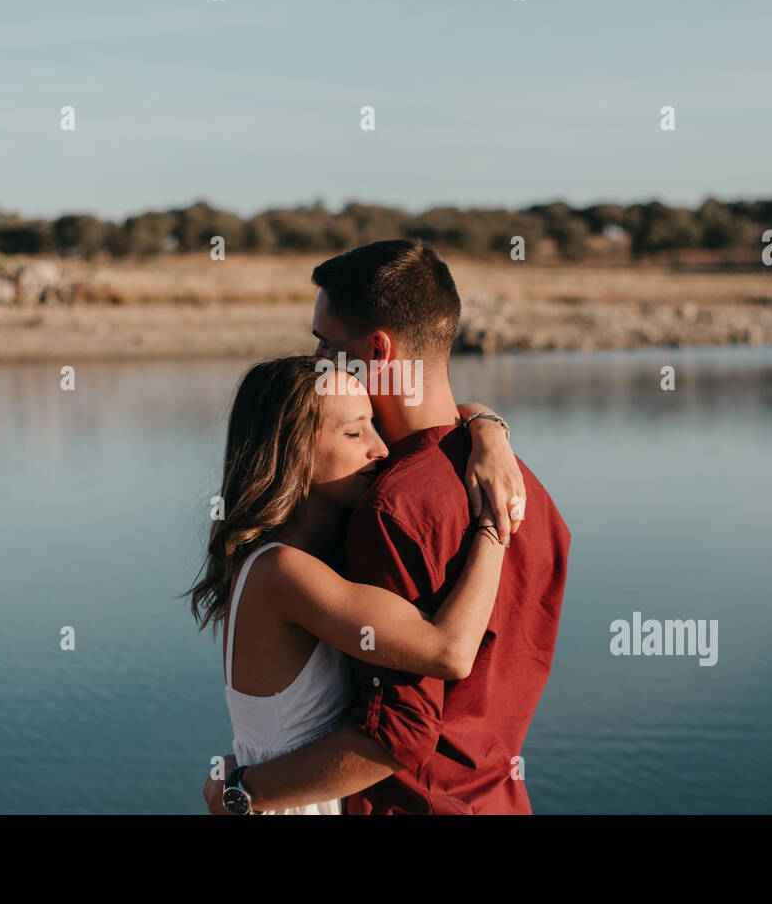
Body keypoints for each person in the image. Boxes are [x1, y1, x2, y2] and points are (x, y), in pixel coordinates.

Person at [202, 238, 571, 814]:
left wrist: (241, 792)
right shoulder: (527, 491)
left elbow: (397, 734)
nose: (318, 359)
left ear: (377, 351)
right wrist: (487, 426)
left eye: (325, 344)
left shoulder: (389, 509)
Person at [186, 356, 513, 813]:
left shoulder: (304, 560)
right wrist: (496, 518)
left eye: (374, 426)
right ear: (294, 450)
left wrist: (489, 430)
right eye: (355, 433)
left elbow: (452, 412)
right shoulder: (280, 571)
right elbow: (449, 651)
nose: (380, 448)